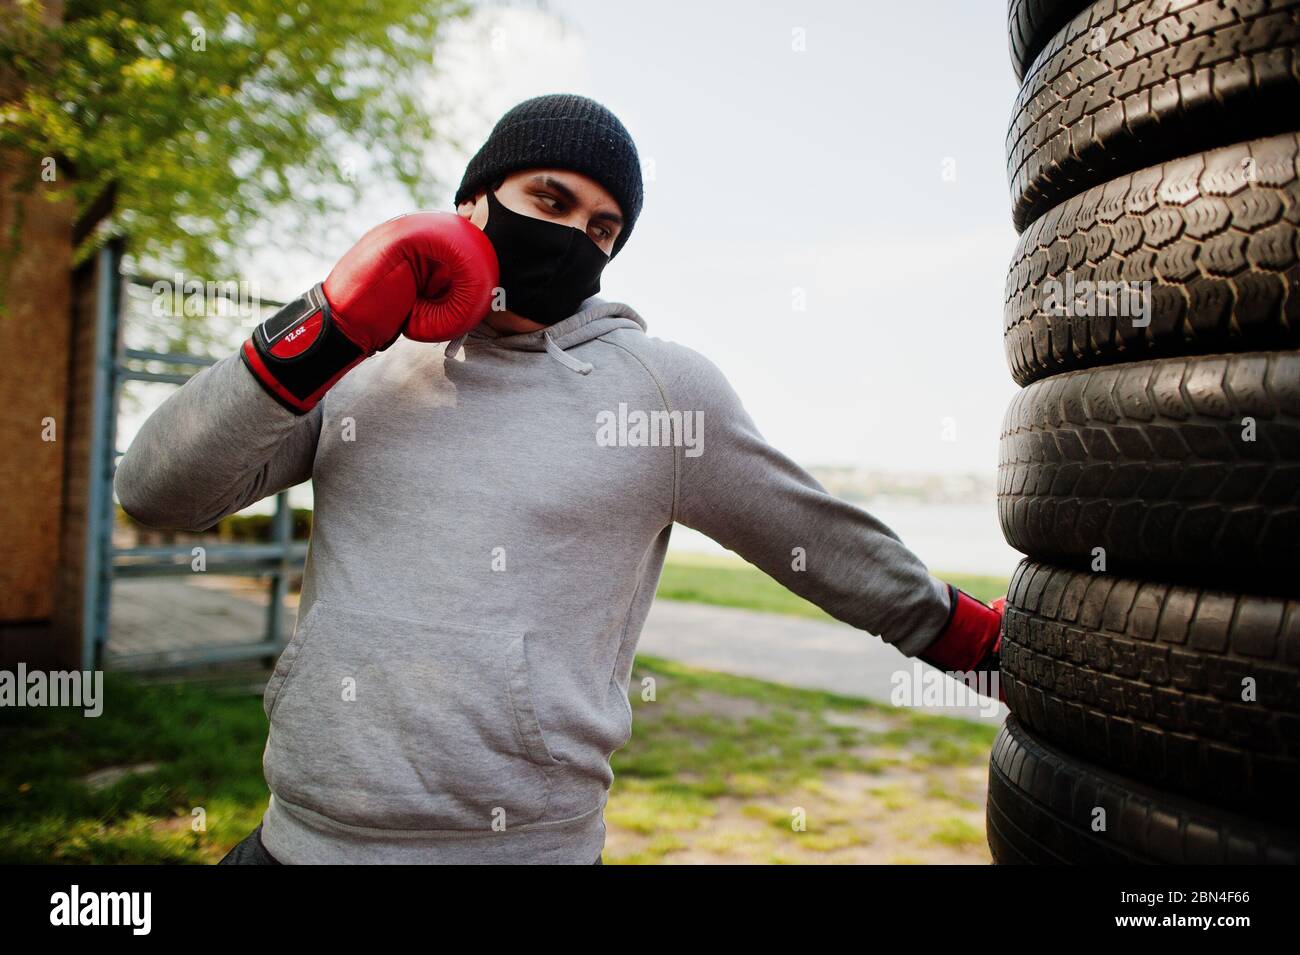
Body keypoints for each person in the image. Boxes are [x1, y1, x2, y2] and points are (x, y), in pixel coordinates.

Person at [116, 94, 1004, 865]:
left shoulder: (659, 387)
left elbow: (815, 536)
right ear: (472, 203)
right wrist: (332, 322)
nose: (577, 235)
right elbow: (156, 490)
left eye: (604, 226)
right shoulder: (354, 367)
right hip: (300, 839)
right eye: (552, 198)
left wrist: (980, 645)